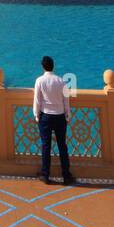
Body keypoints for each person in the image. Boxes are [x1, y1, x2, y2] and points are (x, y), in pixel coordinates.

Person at [33, 55, 73, 185]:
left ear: (43, 67)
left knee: (46, 146)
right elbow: (66, 100)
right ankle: (66, 175)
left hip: (46, 117)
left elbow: (37, 101)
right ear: (53, 66)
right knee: (62, 145)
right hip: (60, 116)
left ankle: (45, 174)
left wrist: (36, 115)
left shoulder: (39, 81)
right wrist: (68, 114)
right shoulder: (62, 81)